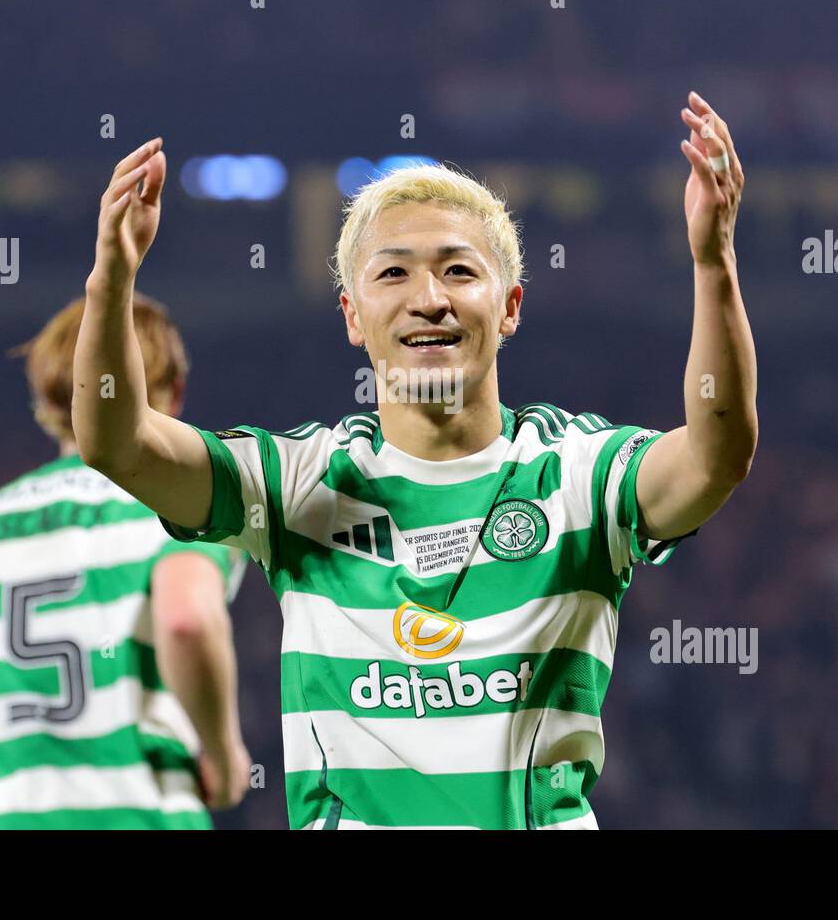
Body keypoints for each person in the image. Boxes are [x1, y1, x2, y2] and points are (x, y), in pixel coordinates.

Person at [73, 91, 757, 828]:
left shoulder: (579, 475)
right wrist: (111, 278)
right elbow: (118, 442)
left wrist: (712, 259)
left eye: (459, 272)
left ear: (510, 306)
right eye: (393, 274)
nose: (428, 298)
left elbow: (716, 454)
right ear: (352, 317)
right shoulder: (298, 482)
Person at [0, 295, 251, 829]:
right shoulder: (183, 504)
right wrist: (225, 756)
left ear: (48, 402)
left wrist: (5, 767)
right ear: (174, 391)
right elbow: (186, 620)